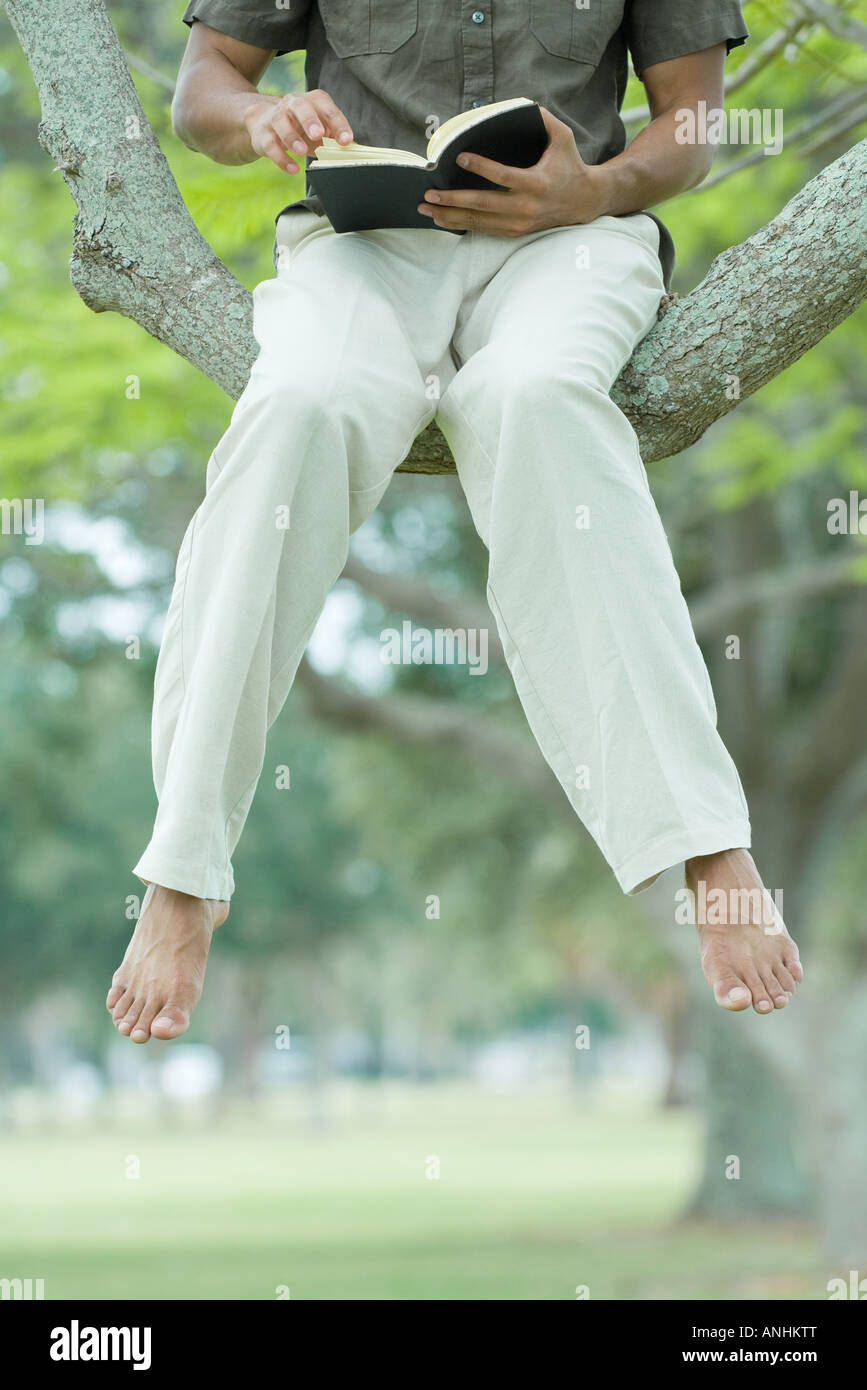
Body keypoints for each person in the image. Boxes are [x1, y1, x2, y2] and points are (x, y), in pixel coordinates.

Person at [107, 1, 803, 1046]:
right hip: (362, 253)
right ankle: (182, 869)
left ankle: (706, 843)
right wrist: (259, 119)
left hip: (569, 246)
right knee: (296, 408)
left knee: (539, 402)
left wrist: (597, 187)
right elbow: (203, 84)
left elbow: (693, 121)